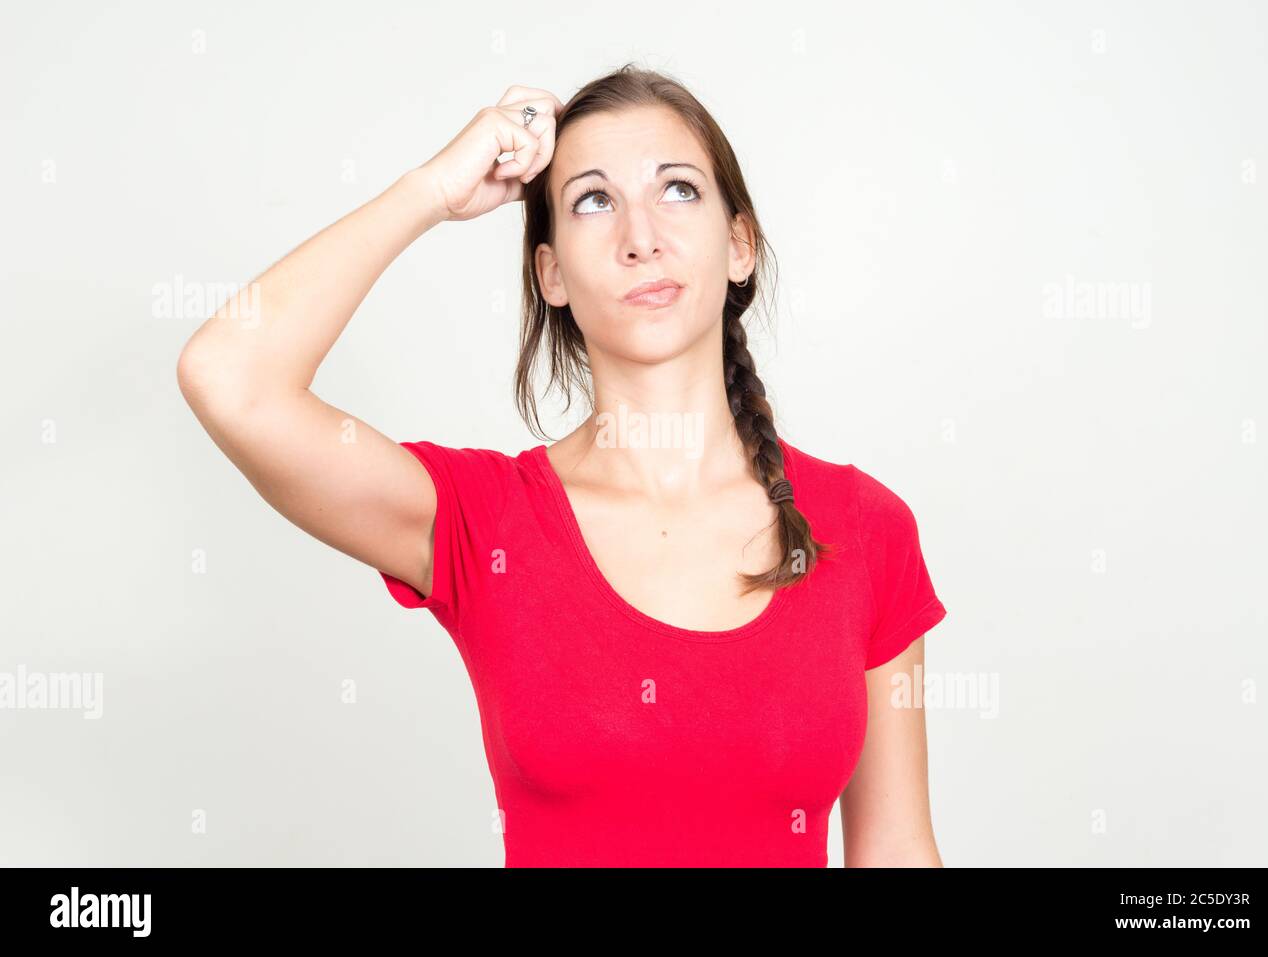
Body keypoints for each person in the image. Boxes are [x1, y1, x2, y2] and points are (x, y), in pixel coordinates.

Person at [177, 64, 949, 867]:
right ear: (551, 274)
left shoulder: (866, 528)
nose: (640, 236)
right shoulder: (486, 520)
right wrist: (432, 191)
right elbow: (230, 379)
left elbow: (896, 848)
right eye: (593, 200)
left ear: (740, 246)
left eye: (678, 190)